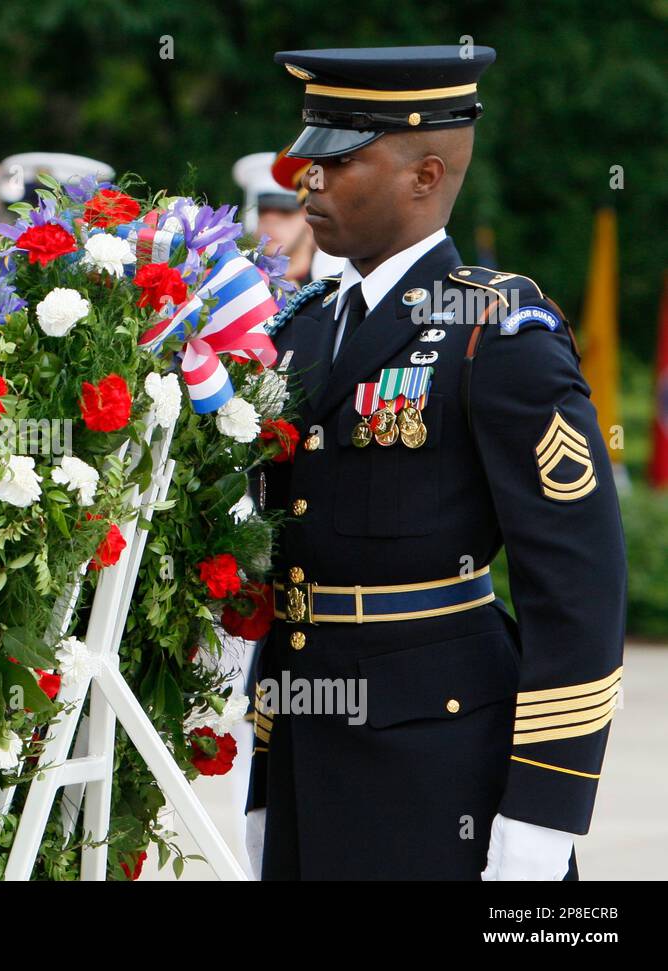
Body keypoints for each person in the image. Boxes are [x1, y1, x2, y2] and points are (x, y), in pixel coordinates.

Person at [245, 46, 626, 880]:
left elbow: (579, 588)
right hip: (313, 758)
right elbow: (291, 576)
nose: (307, 176)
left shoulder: (497, 335)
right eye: (309, 152)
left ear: (424, 175)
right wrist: (267, 776)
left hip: (444, 771)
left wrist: (543, 809)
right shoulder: (302, 331)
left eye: (339, 157)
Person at [233, 150, 345, 285]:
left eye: (285, 212)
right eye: (262, 212)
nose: (270, 221)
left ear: (310, 215)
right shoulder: (240, 282)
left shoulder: (335, 281)